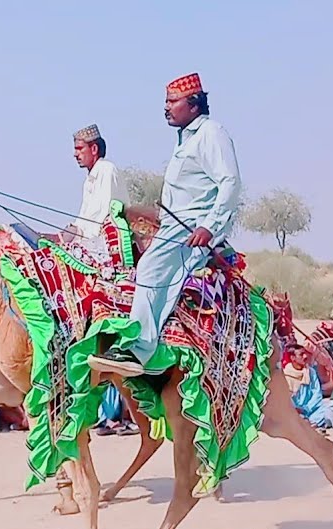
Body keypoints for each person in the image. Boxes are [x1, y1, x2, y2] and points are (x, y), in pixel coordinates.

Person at [88, 73, 242, 378]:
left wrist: (209, 227)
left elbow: (230, 181)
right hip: (172, 225)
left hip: (191, 228)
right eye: (166, 101)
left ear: (194, 104)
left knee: (150, 270)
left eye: (173, 101)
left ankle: (138, 349)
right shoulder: (186, 138)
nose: (167, 108)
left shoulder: (211, 133)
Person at [63, 124, 129, 262]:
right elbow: (82, 222)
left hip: (105, 249)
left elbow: (99, 218)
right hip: (90, 244)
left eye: (80, 149)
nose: (75, 154)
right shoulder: (89, 180)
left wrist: (78, 243)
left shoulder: (106, 170)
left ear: (94, 149)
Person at [287, 346, 333, 430]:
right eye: (301, 354)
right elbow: (287, 399)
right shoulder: (286, 376)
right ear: (293, 358)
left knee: (329, 409)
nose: (305, 356)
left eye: (305, 353)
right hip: (295, 412)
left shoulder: (310, 372)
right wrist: (297, 410)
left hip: (312, 410)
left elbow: (316, 395)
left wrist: (306, 408)